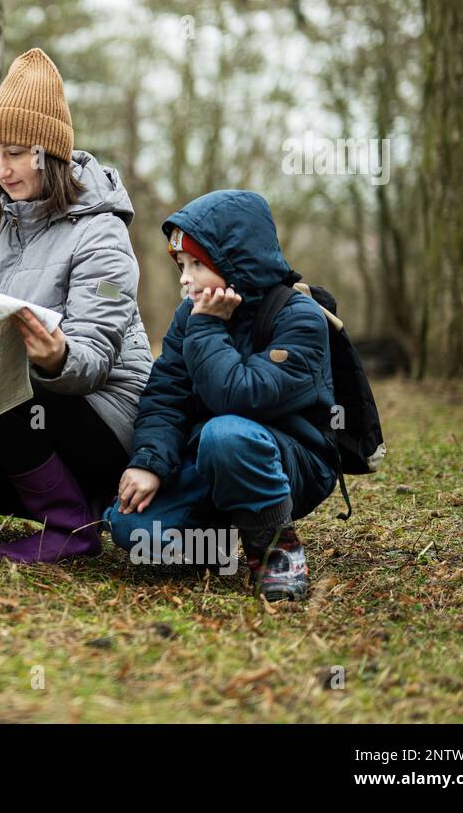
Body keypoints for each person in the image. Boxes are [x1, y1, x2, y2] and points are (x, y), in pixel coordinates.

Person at [0, 48, 153, 564]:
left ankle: (70, 528)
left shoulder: (101, 232)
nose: (2, 169)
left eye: (16, 153)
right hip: (30, 397)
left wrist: (55, 357)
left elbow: (94, 358)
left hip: (107, 415)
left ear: (50, 152)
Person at [108, 190, 337, 601]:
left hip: (292, 461)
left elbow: (242, 396)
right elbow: (166, 396)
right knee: (134, 531)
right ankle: (217, 544)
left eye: (198, 264)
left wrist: (209, 329)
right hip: (212, 458)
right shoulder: (190, 316)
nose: (185, 277)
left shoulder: (299, 318)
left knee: (226, 434)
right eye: (181, 264)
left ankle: (277, 554)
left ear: (235, 264)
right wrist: (150, 464)